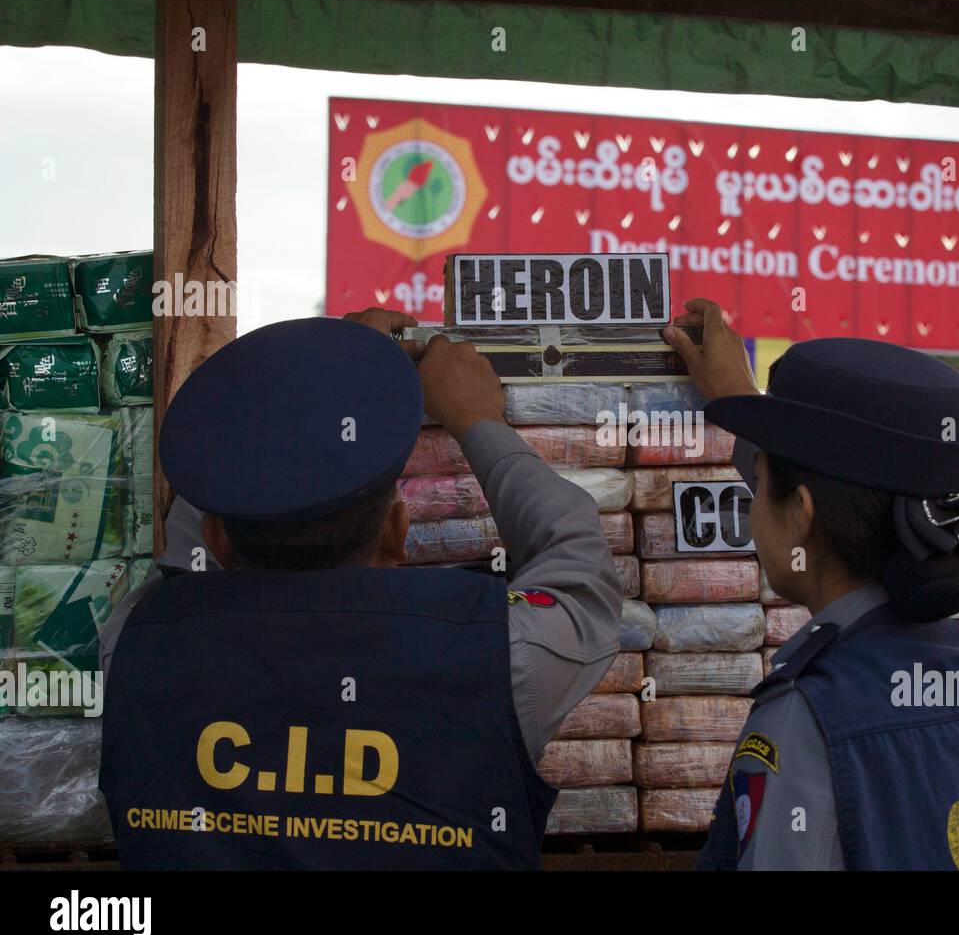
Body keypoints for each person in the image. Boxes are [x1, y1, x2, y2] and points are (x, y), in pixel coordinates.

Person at [98, 311, 622, 869]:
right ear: (398, 535)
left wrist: (313, 380)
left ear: (216, 539)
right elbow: (579, 563)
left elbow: (192, 535)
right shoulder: (504, 656)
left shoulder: (130, 643)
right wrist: (474, 417)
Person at [661, 299, 959, 870]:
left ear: (801, 513)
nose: (751, 500)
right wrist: (742, 405)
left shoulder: (802, 717)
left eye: (758, 484)